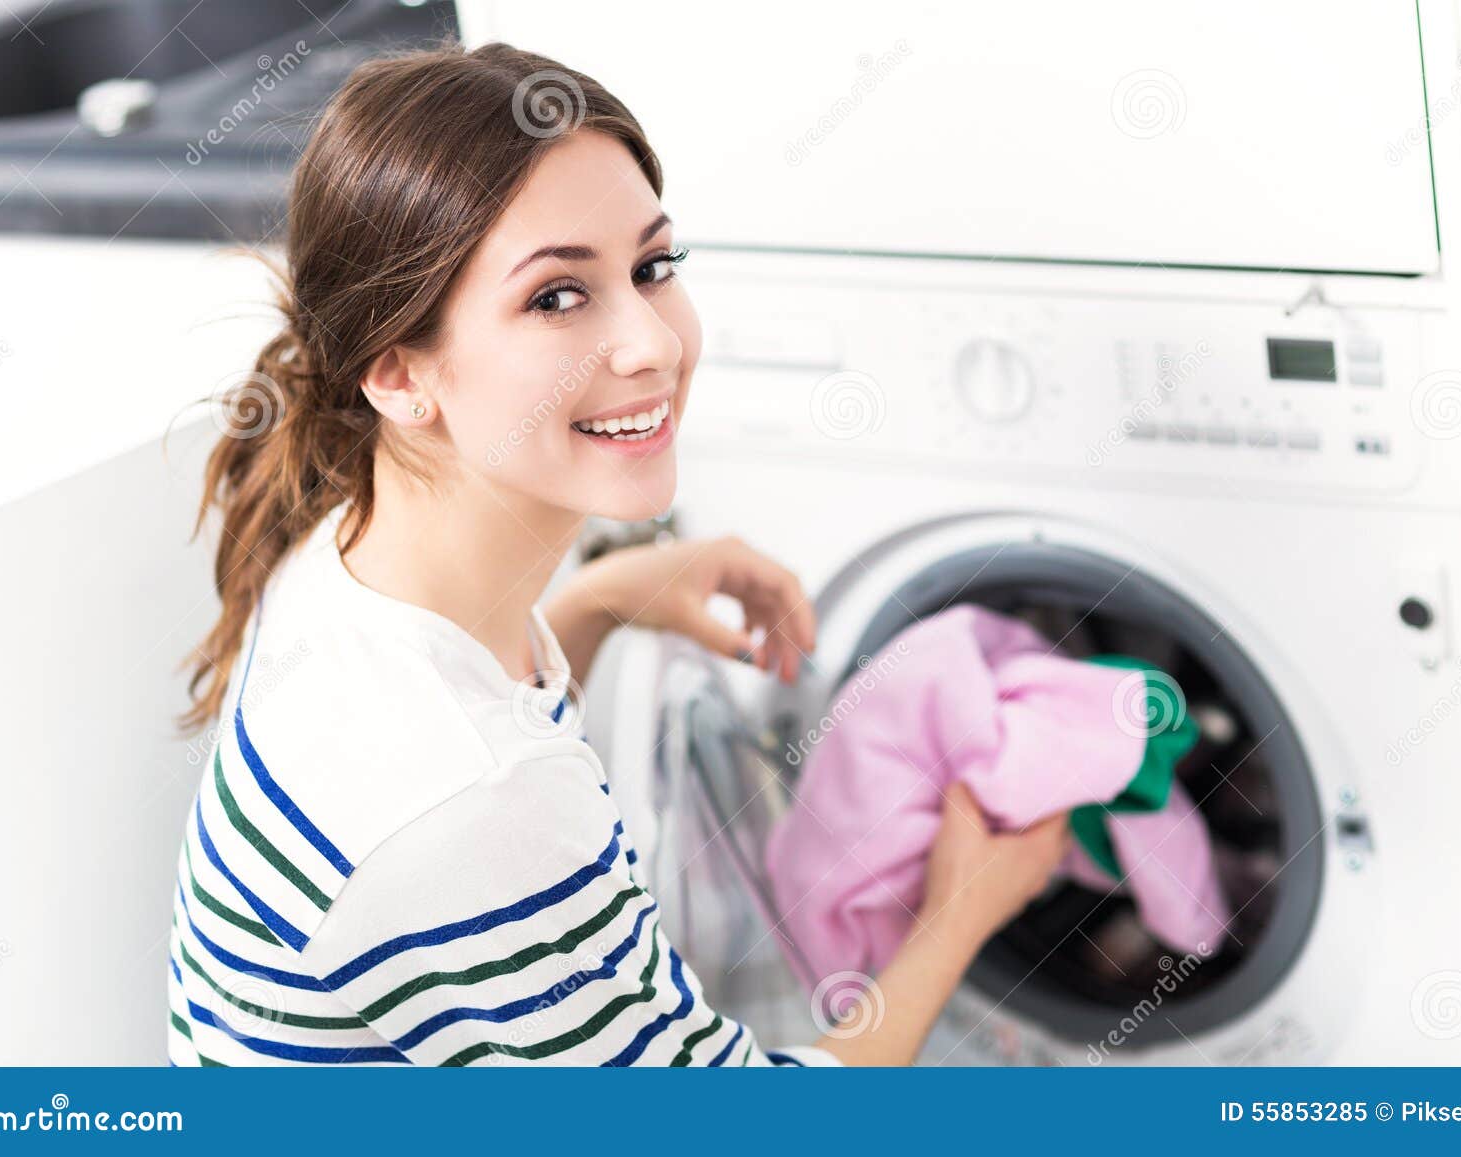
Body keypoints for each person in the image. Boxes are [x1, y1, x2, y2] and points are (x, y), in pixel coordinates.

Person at [167, 38, 1071, 1067]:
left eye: (653, 266)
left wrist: (598, 600)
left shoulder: (340, 551)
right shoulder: (463, 802)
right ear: (399, 372)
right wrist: (958, 911)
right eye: (557, 296)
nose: (652, 342)